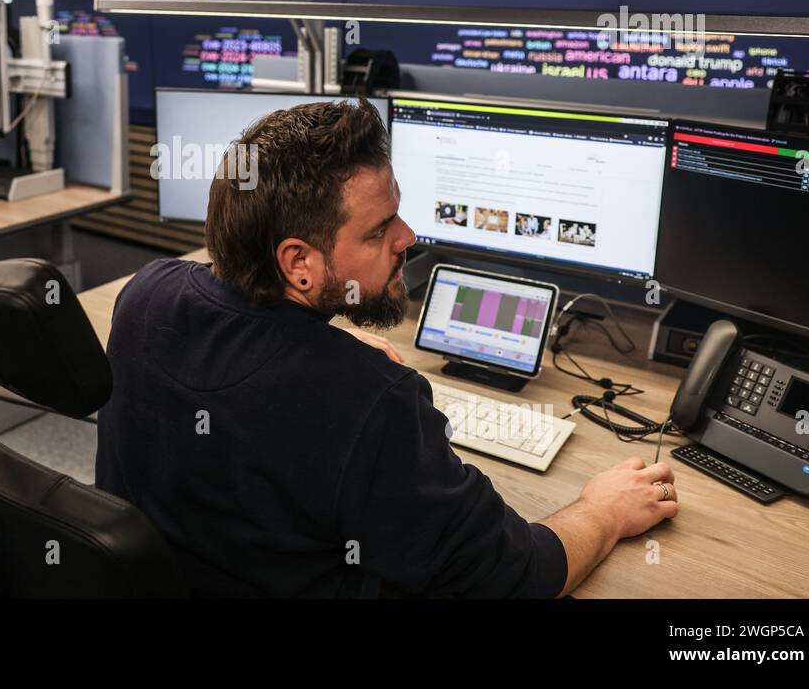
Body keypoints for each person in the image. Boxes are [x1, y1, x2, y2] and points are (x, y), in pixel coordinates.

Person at [96, 99, 677, 597]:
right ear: (299, 264)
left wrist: (325, 339)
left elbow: (249, 343)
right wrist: (602, 510)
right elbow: (518, 576)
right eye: (379, 231)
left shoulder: (146, 293)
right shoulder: (373, 403)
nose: (408, 237)